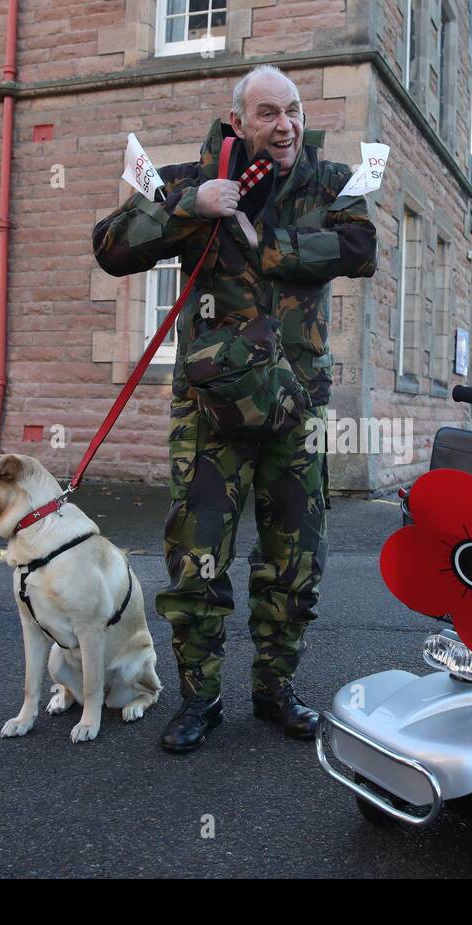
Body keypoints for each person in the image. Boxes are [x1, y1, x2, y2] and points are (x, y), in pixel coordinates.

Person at [92, 65, 377, 754]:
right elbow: (110, 246)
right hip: (211, 409)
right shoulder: (193, 178)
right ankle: (200, 698)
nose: (286, 126)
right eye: (270, 113)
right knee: (198, 560)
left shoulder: (332, 180)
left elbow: (360, 248)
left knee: (295, 559)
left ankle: (277, 689)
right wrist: (191, 208)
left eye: (295, 111)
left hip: (296, 405)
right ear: (239, 118)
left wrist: (269, 244)